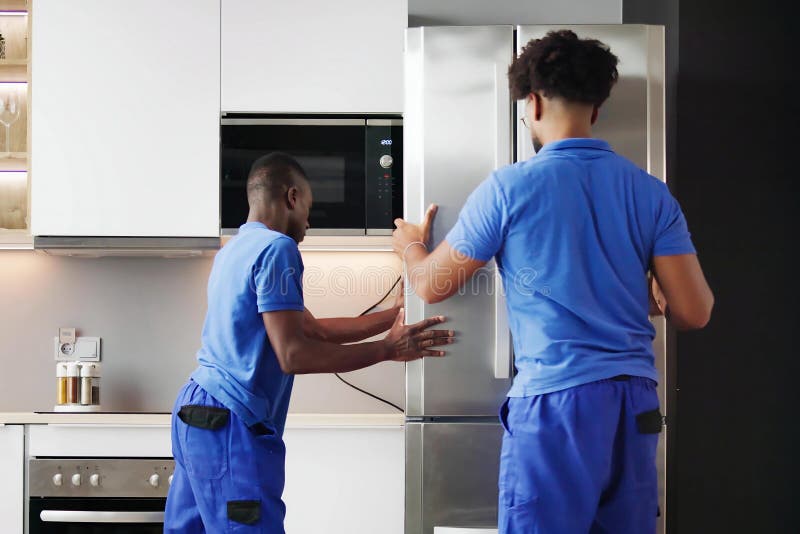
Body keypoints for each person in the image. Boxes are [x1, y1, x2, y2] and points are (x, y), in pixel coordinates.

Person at [392, 30, 714, 534]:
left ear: (534, 102)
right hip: (635, 404)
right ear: (597, 108)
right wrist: (638, 293)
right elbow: (694, 311)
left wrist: (410, 245)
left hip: (555, 405)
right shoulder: (652, 194)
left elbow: (432, 284)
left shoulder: (508, 188)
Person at [164, 152, 455, 533]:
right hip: (229, 420)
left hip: (195, 411)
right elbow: (292, 354)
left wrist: (395, 313)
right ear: (292, 197)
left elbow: (312, 329)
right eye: (308, 208)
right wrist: (387, 349)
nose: (308, 222)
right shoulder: (278, 249)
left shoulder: (233, 250)